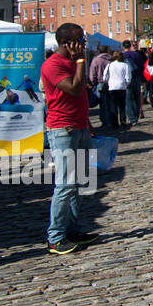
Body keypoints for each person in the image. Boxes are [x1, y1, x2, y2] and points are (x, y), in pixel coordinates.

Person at [40, 23, 101, 255]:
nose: (83, 44)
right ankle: (55, 237)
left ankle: (72, 230)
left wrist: (88, 123)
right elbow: (74, 89)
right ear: (66, 43)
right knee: (65, 184)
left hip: (80, 127)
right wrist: (80, 61)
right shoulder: (53, 65)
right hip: (62, 130)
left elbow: (80, 98)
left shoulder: (72, 62)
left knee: (80, 182)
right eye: (80, 40)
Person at [104, 51, 132, 131]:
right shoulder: (125, 65)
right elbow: (128, 77)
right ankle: (123, 121)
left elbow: (105, 76)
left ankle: (114, 123)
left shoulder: (109, 65)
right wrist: (126, 84)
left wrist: (108, 82)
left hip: (112, 86)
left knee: (113, 105)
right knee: (122, 105)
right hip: (122, 86)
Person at [88, 46, 114, 130]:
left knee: (102, 104)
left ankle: (105, 122)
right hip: (111, 82)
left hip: (100, 83)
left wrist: (92, 82)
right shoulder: (111, 59)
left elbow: (92, 73)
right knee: (111, 103)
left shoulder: (96, 60)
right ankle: (112, 120)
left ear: (98, 51)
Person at [122, 39, 145, 124]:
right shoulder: (136, 55)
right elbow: (142, 66)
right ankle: (136, 116)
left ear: (123, 47)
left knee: (129, 99)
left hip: (127, 79)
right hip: (137, 77)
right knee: (136, 98)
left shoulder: (122, 56)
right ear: (130, 46)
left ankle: (132, 119)